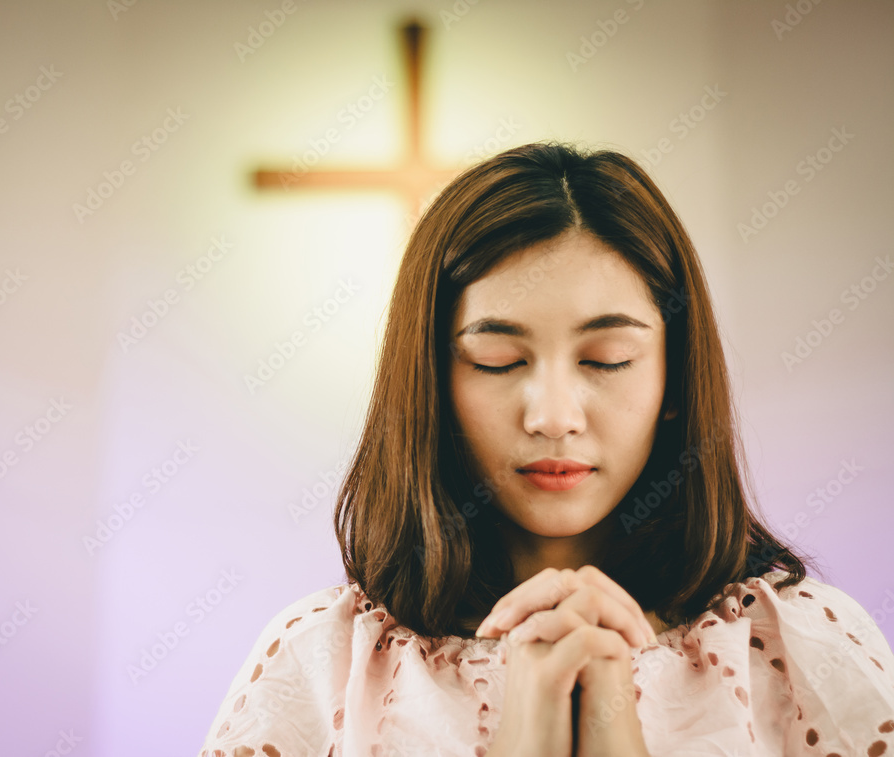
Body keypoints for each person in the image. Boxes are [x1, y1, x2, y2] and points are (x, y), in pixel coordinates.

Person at [196, 142, 894, 756]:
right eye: (498, 360)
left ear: (674, 377)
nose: (554, 417)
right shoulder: (320, 664)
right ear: (431, 381)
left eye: (608, 358)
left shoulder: (798, 651)